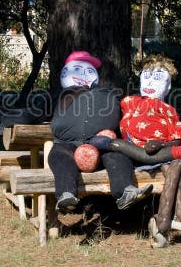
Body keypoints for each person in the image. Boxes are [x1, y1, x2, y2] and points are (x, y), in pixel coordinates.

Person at [48, 51, 153, 213]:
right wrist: (5, 123)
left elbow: (129, 110)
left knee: (117, 155)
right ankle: (66, 195)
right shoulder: (60, 95)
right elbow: (34, 112)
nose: (82, 74)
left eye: (88, 71)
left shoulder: (107, 93)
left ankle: (126, 191)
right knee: (59, 157)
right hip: (66, 143)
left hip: (100, 141)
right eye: (76, 69)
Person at [115, 55, 181, 248]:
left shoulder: (169, 110)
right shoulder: (130, 102)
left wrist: (160, 145)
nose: (151, 82)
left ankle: (162, 226)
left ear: (167, 86)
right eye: (147, 76)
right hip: (138, 155)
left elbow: (178, 138)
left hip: (164, 155)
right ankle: (178, 220)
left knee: (175, 165)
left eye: (158, 78)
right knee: (175, 167)